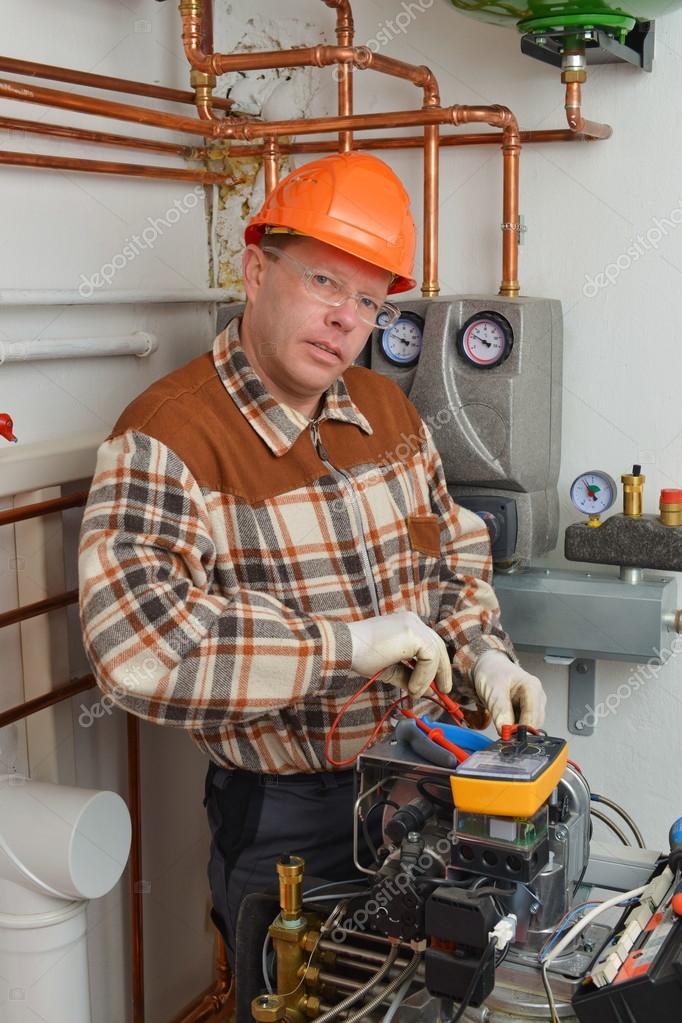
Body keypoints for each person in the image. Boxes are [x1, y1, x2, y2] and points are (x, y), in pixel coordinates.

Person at [78, 152, 545, 967]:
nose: (344, 318)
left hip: (425, 782)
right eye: (325, 283)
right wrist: (346, 646)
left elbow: (451, 559)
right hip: (287, 818)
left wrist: (487, 657)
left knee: (428, 993)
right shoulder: (166, 436)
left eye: (367, 300)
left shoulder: (385, 407)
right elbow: (136, 650)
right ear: (256, 271)